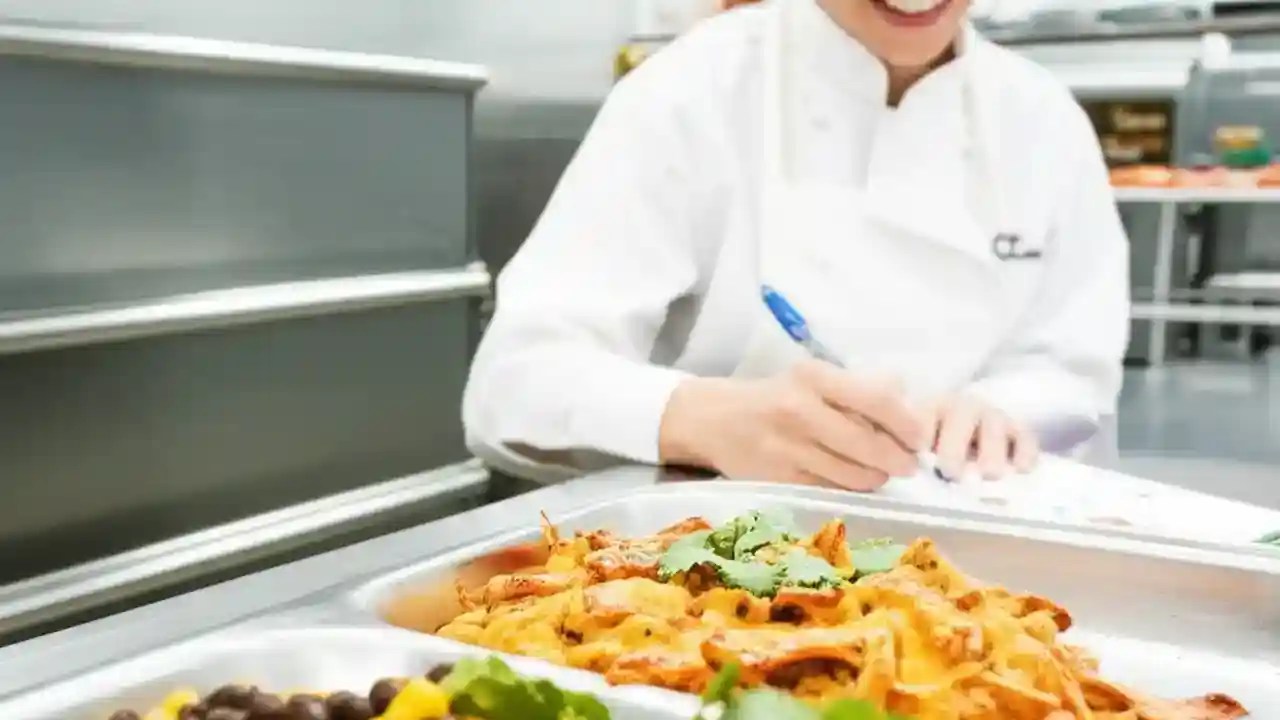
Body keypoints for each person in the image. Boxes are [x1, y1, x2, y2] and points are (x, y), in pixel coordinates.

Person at [463, 0, 1130, 489]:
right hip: (707, 575)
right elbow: (515, 383)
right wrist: (698, 417)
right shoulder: (695, 89)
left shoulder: (1044, 122)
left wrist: (1001, 411)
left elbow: (1072, 370)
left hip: (968, 567)